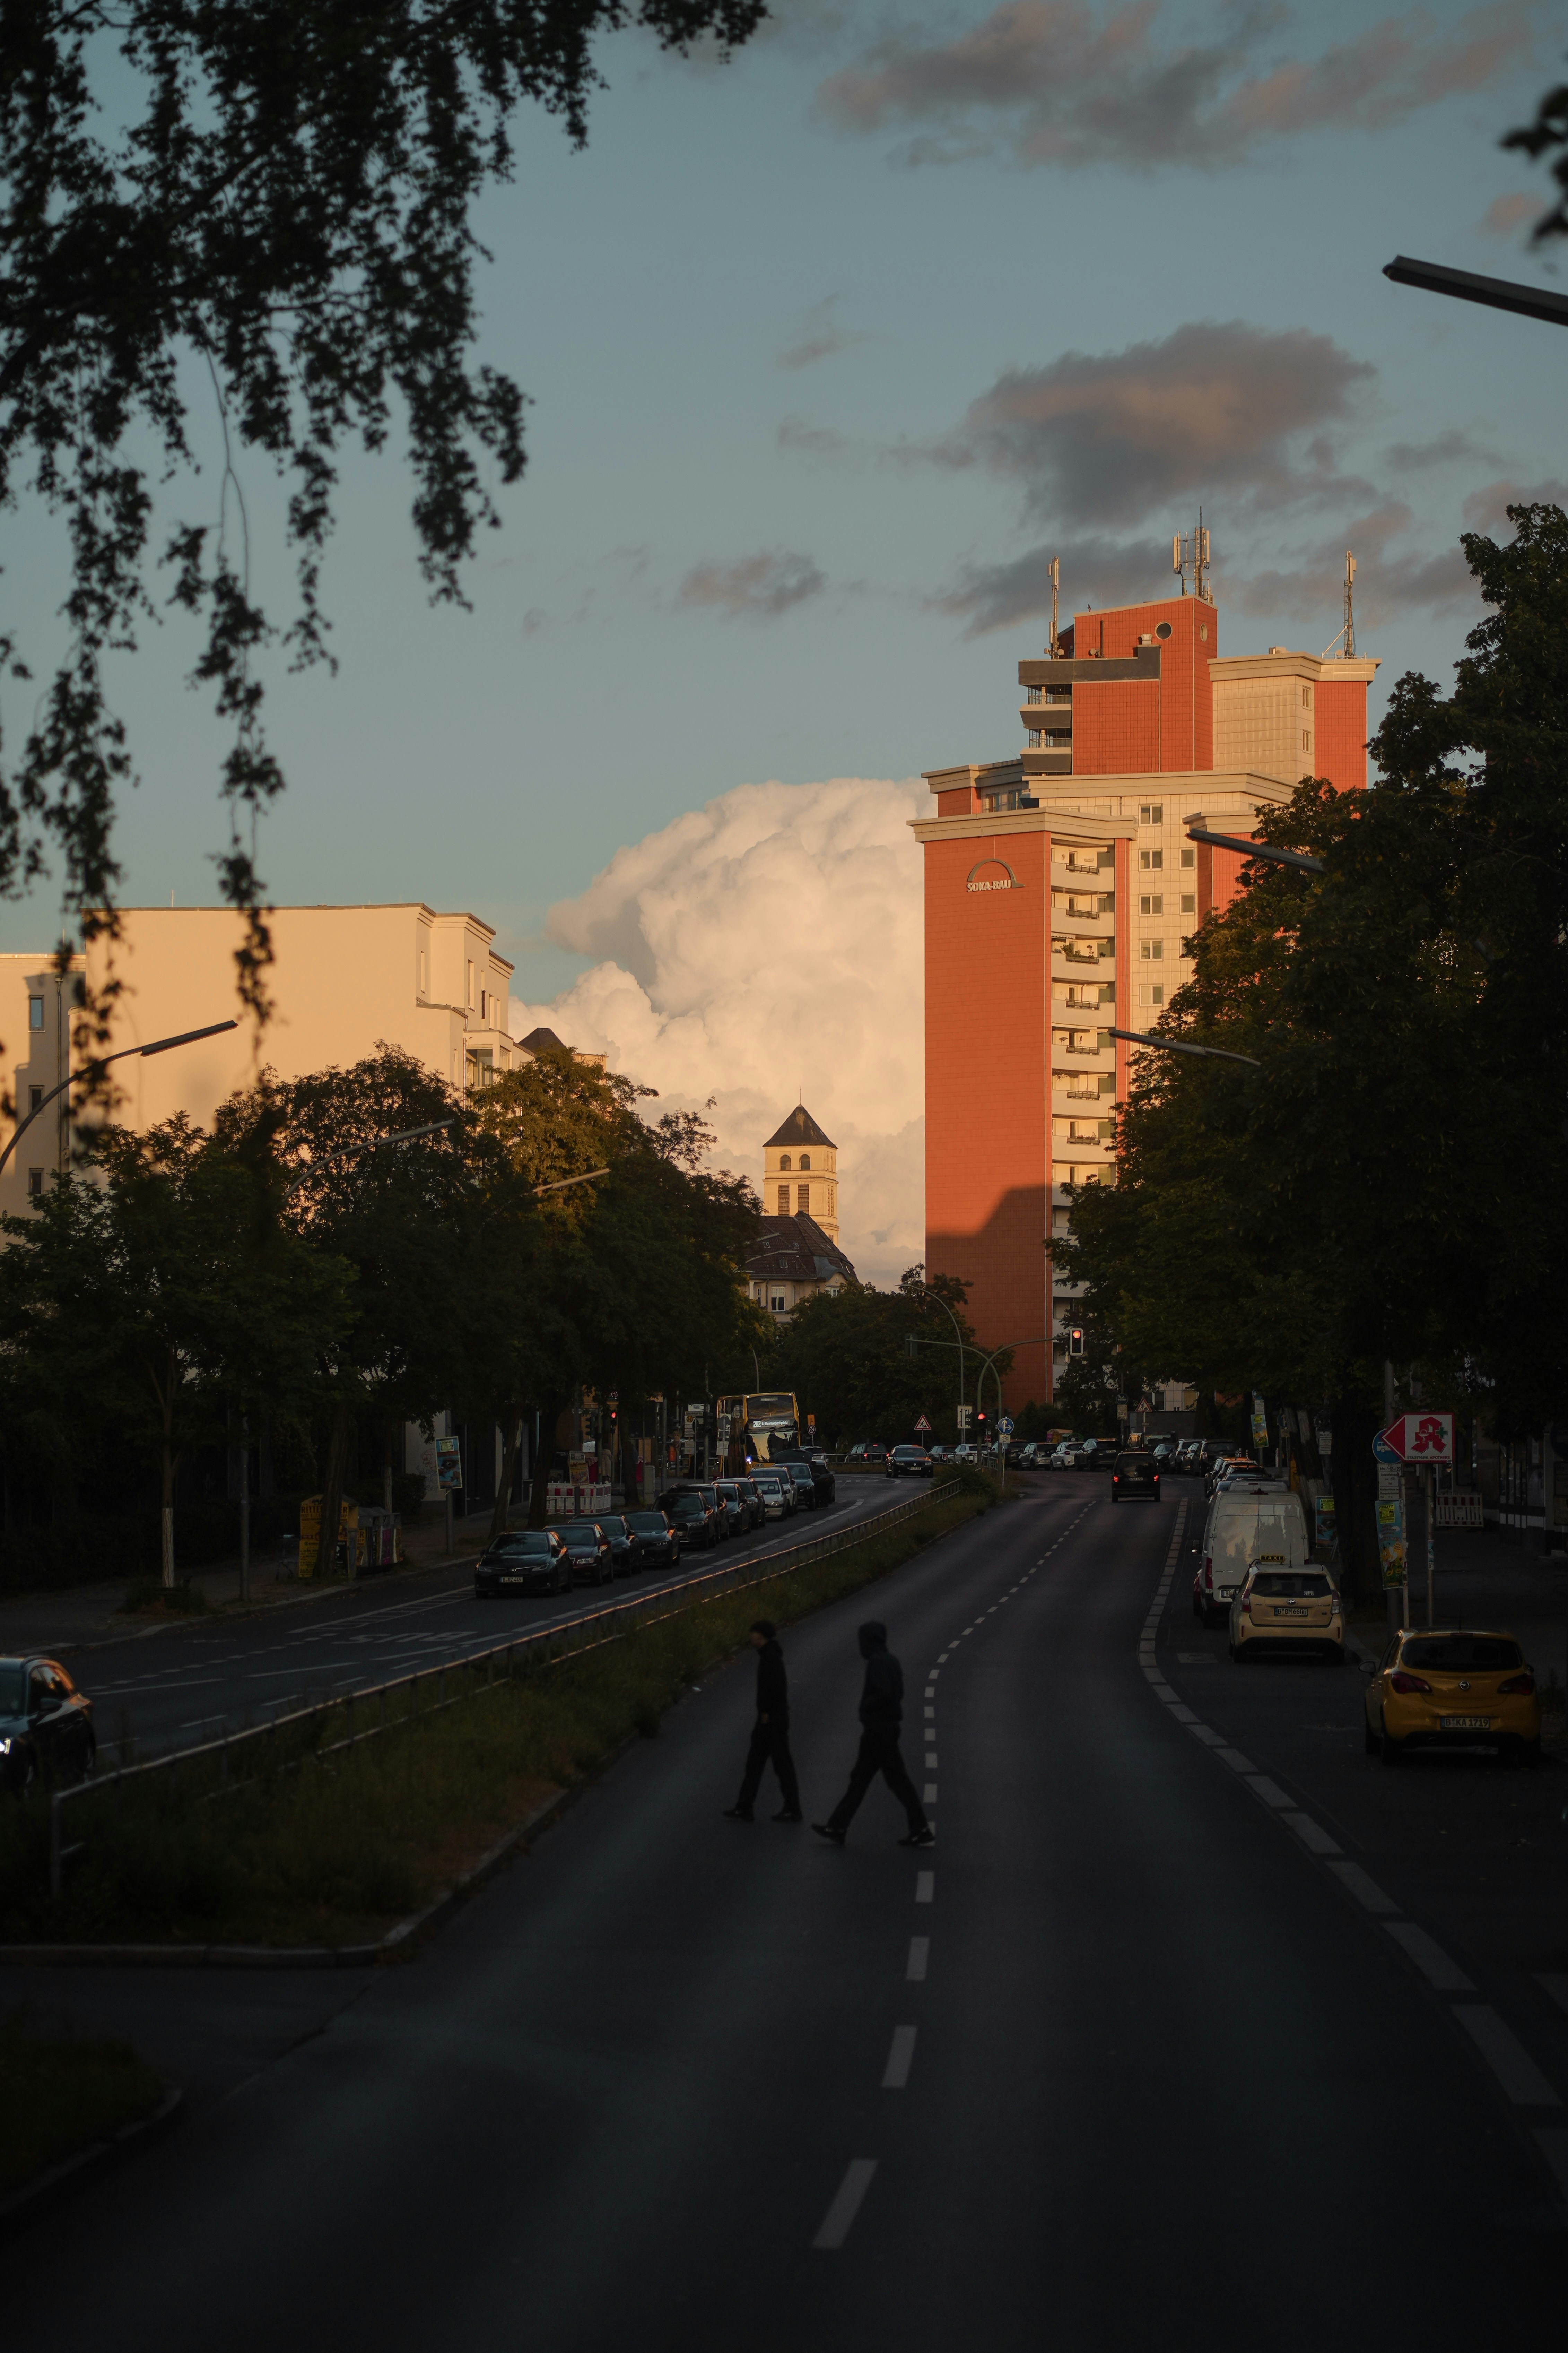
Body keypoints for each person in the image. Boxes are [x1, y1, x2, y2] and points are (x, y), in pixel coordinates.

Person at [813, 1621, 933, 1848]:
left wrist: (866, 1708)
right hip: (886, 1728)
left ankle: (921, 1828)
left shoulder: (877, 1663)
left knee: (890, 1781)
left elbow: (885, 1693)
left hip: (879, 1730)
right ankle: (838, 1825)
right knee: (864, 1779)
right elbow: (898, 1692)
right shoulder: (892, 1660)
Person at [724, 1619, 802, 1822]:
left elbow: (774, 1689)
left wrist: (766, 1712)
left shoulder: (770, 1658)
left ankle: (789, 1808)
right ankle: (747, 1805)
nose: (751, 1637)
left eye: (753, 1634)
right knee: (760, 1763)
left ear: (760, 1636)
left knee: (775, 1764)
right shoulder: (771, 1655)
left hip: (771, 1721)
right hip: (773, 1719)